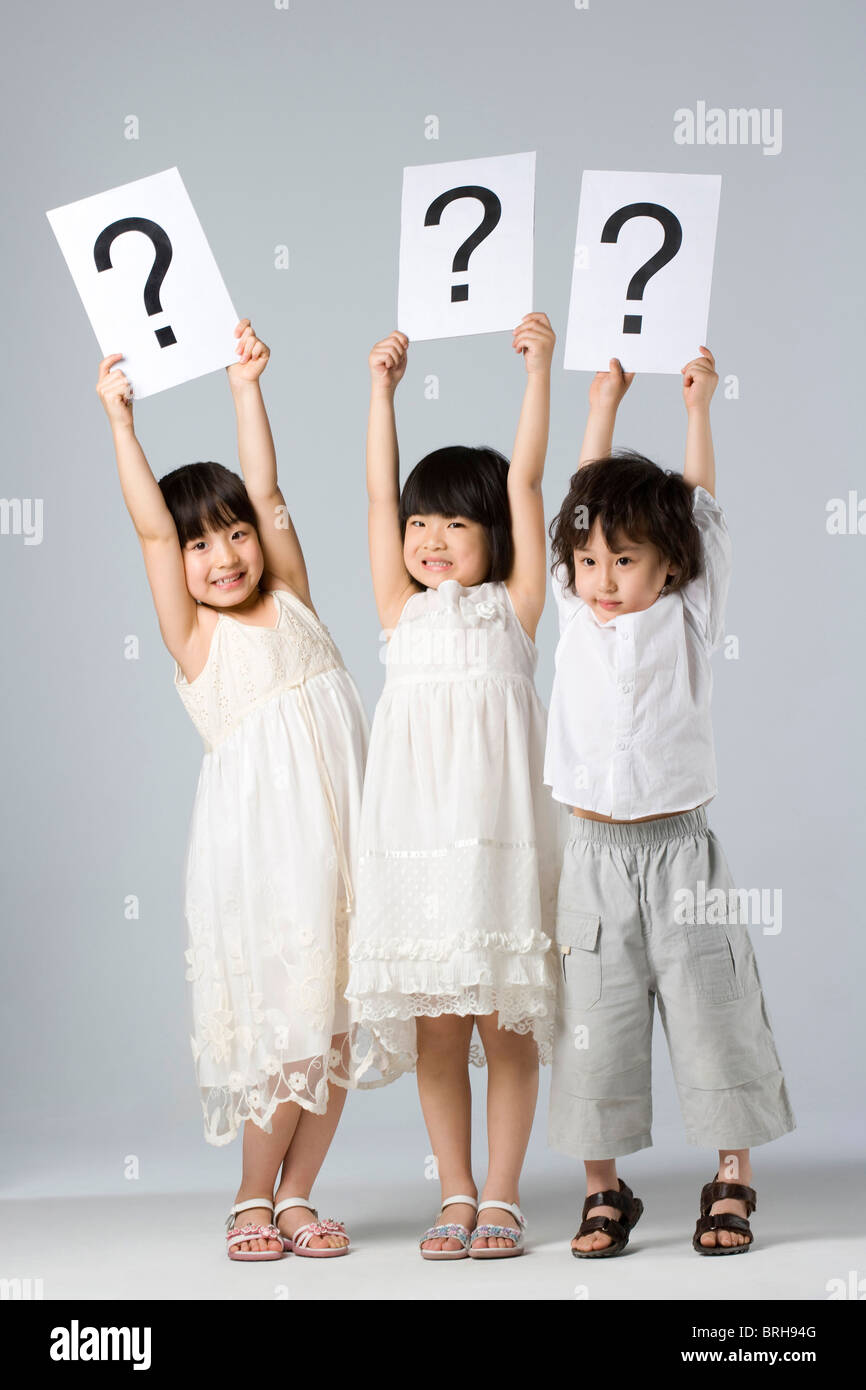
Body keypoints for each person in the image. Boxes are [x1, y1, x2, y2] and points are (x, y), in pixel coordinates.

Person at [96, 320, 369, 1260]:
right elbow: (146, 522)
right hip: (268, 855)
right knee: (291, 1023)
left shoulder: (291, 593)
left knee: (342, 1020)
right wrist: (121, 422)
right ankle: (253, 1195)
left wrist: (247, 387)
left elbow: (271, 487)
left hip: (351, 838)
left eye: (234, 533)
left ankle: (300, 1196)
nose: (224, 556)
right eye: (198, 546)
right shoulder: (196, 641)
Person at [545, 348, 795, 1257]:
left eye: (626, 558)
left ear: (670, 565)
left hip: (682, 851)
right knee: (594, 1023)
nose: (605, 576)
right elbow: (581, 494)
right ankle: (604, 1189)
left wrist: (697, 409)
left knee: (712, 1008)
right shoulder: (575, 612)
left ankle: (734, 1173)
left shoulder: (690, 613)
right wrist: (603, 400)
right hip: (594, 856)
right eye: (591, 558)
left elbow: (705, 511)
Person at [345, 314, 566, 1259]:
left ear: (495, 540)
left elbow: (525, 480)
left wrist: (538, 374)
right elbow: (372, 496)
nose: (431, 537)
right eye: (421, 522)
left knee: (502, 1021)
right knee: (439, 1026)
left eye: (456, 523)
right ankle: (457, 1192)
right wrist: (382, 394)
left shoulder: (515, 614)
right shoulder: (400, 615)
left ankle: (506, 1195)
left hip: (495, 838)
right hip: (415, 843)